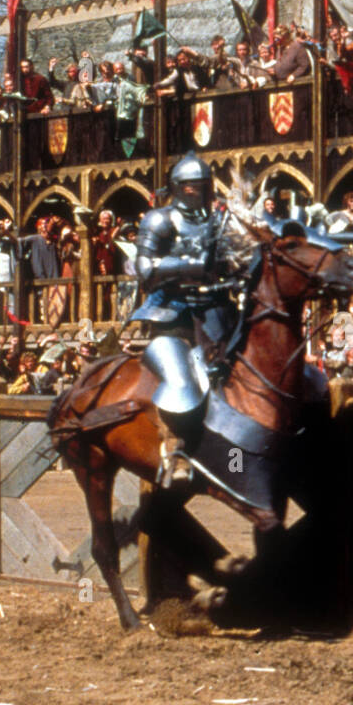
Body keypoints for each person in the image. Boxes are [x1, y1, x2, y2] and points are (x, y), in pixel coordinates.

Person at [132, 152, 235, 485]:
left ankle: (236, 461)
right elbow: (145, 270)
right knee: (181, 381)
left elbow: (238, 261)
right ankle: (175, 451)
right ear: (177, 188)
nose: (196, 193)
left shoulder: (220, 222)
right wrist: (191, 265)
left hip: (218, 309)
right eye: (190, 187)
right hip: (173, 313)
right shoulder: (160, 220)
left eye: (202, 187)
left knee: (239, 377)